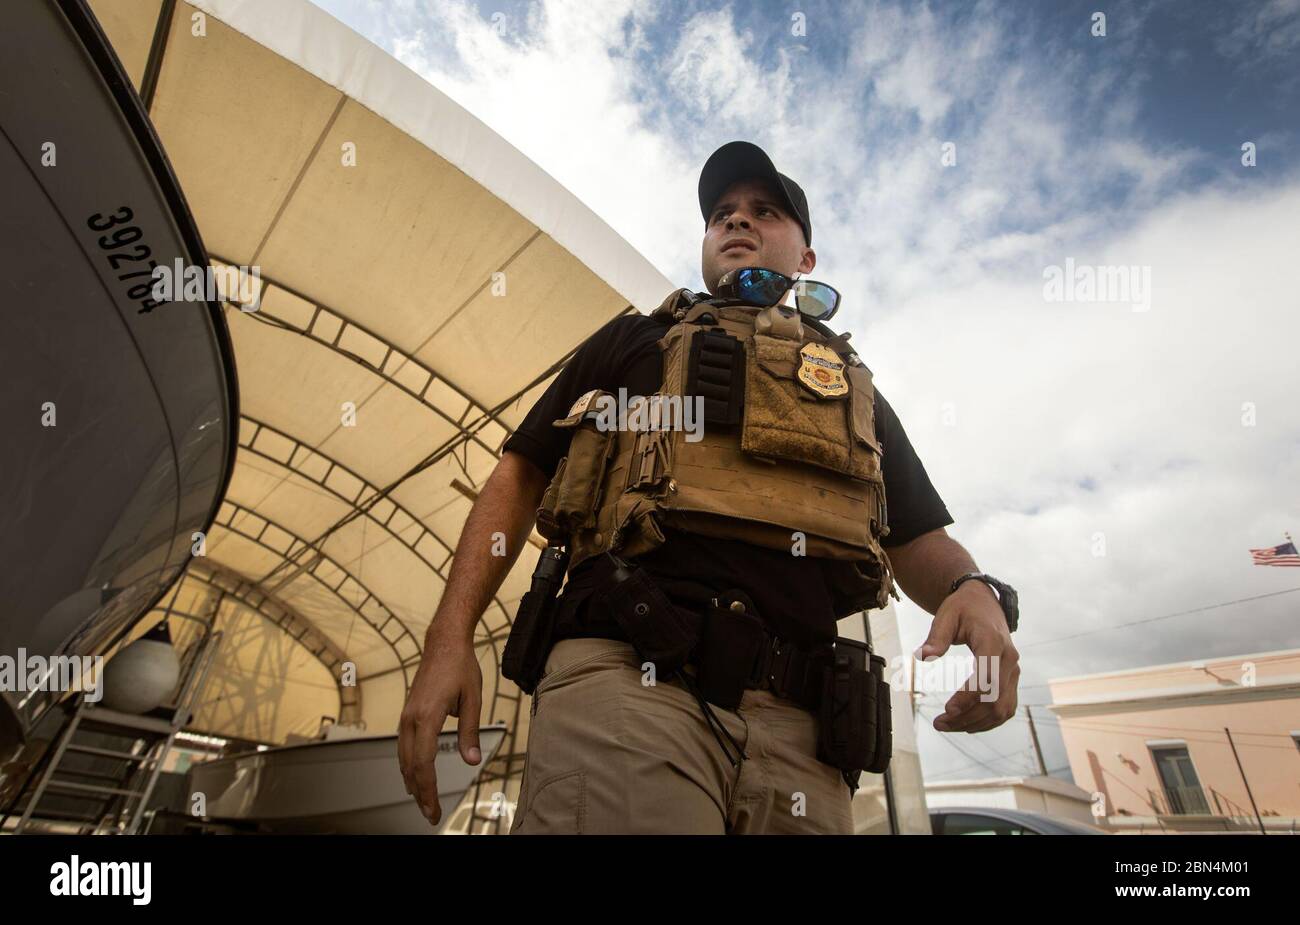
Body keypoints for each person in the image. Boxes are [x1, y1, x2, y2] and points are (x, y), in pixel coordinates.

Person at [398, 141, 1020, 834]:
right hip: (631, 688)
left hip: (807, 735)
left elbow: (921, 541)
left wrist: (976, 590)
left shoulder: (850, 389)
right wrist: (448, 636)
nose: (737, 221)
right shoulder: (637, 339)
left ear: (806, 258)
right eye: (721, 213)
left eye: (764, 211)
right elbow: (520, 471)